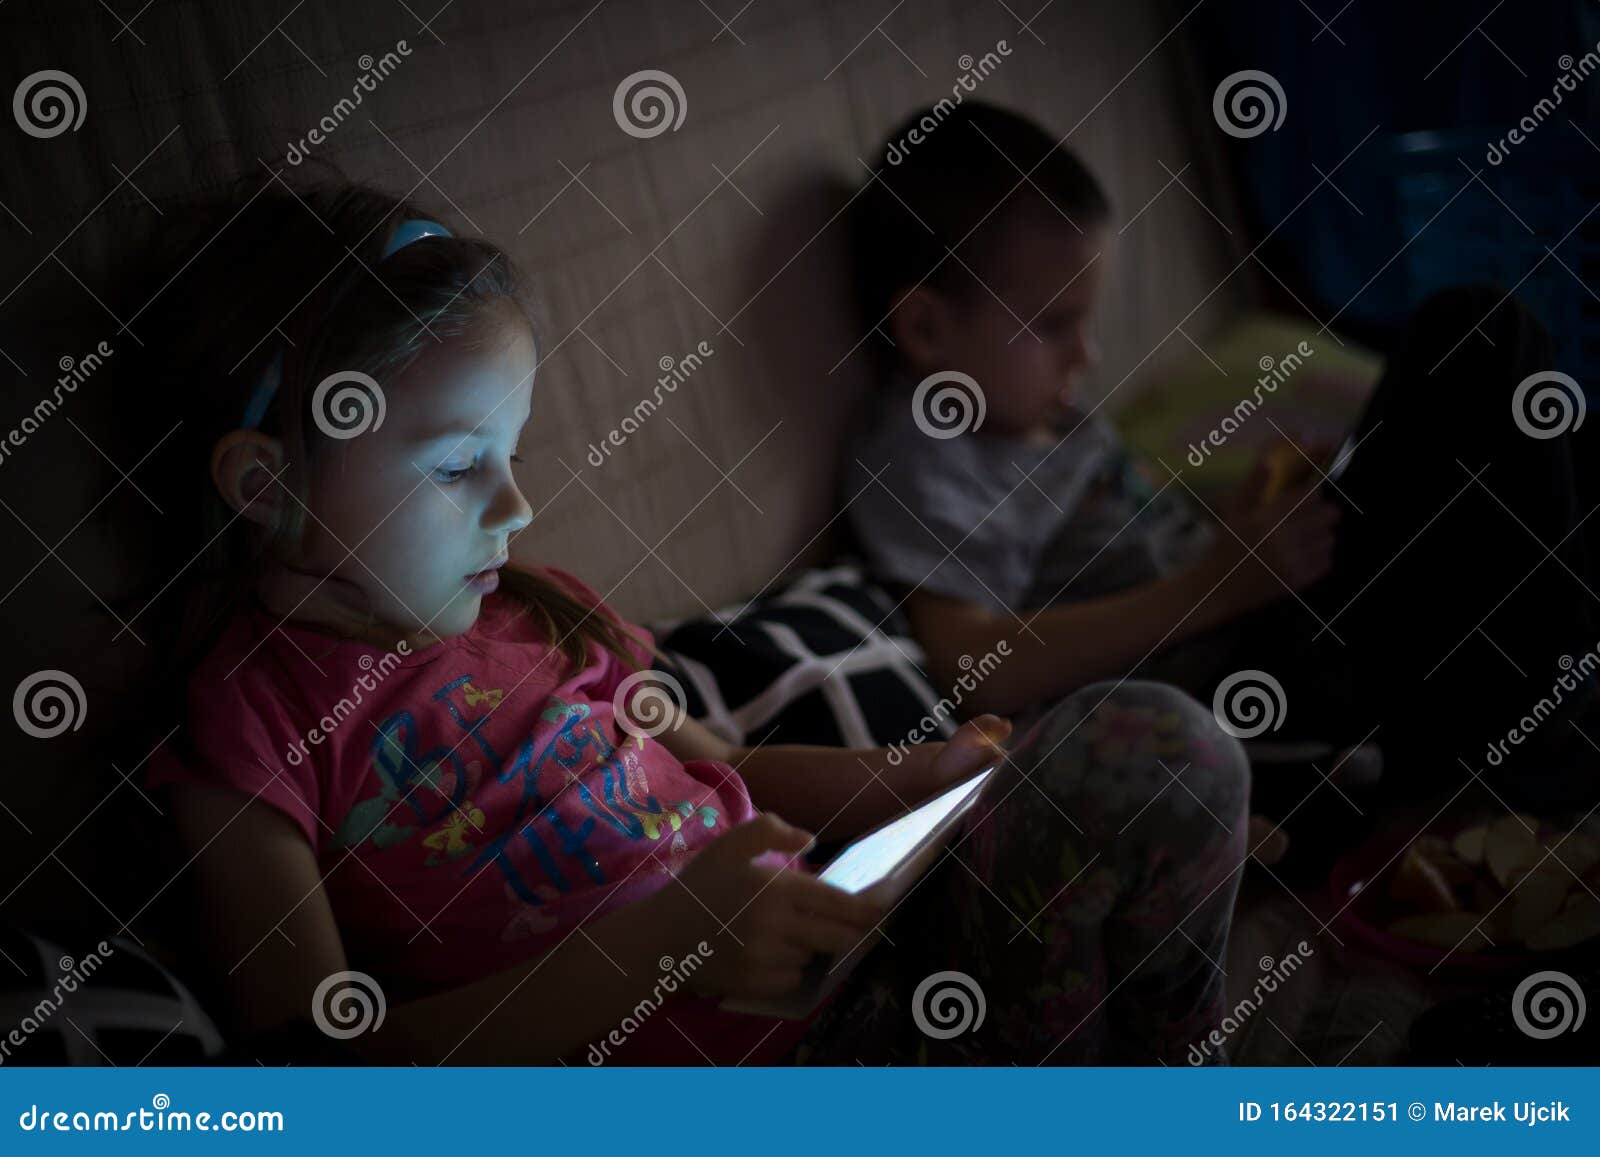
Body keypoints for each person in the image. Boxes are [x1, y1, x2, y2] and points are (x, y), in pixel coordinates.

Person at [122, 173, 1250, 1066]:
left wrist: (914, 781)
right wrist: (666, 947)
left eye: (509, 453)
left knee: (1156, 745)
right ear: (266, 486)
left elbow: (735, 769)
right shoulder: (249, 725)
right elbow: (316, 1058)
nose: (516, 505)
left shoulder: (535, 610)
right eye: (460, 465)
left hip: (873, 966)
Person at [842, 102, 1599, 829]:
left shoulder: (1043, 420)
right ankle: (1536, 728)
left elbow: (1152, 552)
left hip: (1269, 614)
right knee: (1478, 337)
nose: (1087, 354)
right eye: (1052, 325)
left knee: (1485, 359)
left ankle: (1542, 689)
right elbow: (973, 664)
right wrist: (1217, 585)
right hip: (1242, 689)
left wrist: (1249, 525)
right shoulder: (926, 453)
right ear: (926, 326)